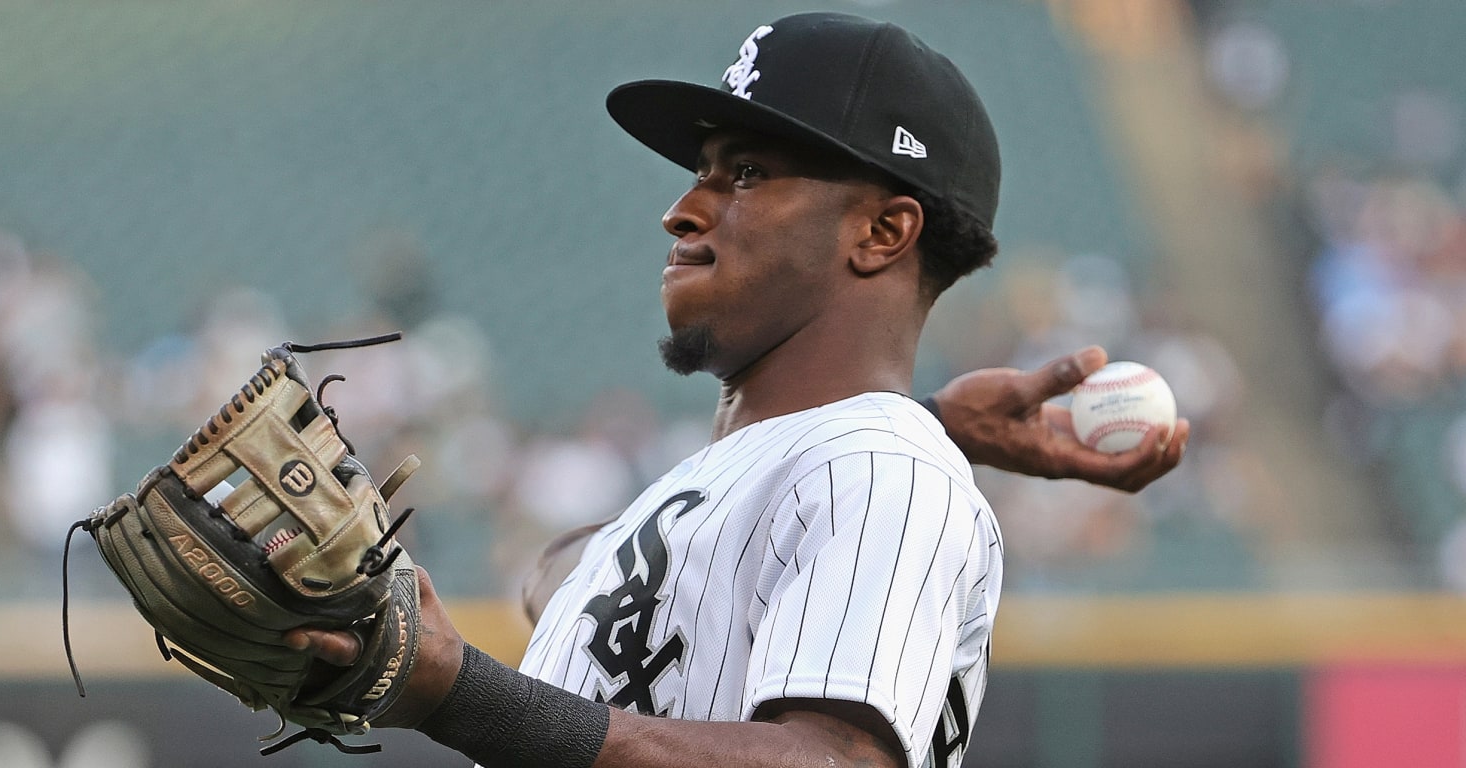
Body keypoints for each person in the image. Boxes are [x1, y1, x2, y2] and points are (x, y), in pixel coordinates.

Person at [288, 12, 1189, 768]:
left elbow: (838, 763)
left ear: (882, 232)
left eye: (747, 173)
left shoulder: (880, 469)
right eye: (702, 170)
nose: (682, 208)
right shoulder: (796, 471)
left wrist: (460, 694)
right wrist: (939, 422)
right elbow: (577, 575)